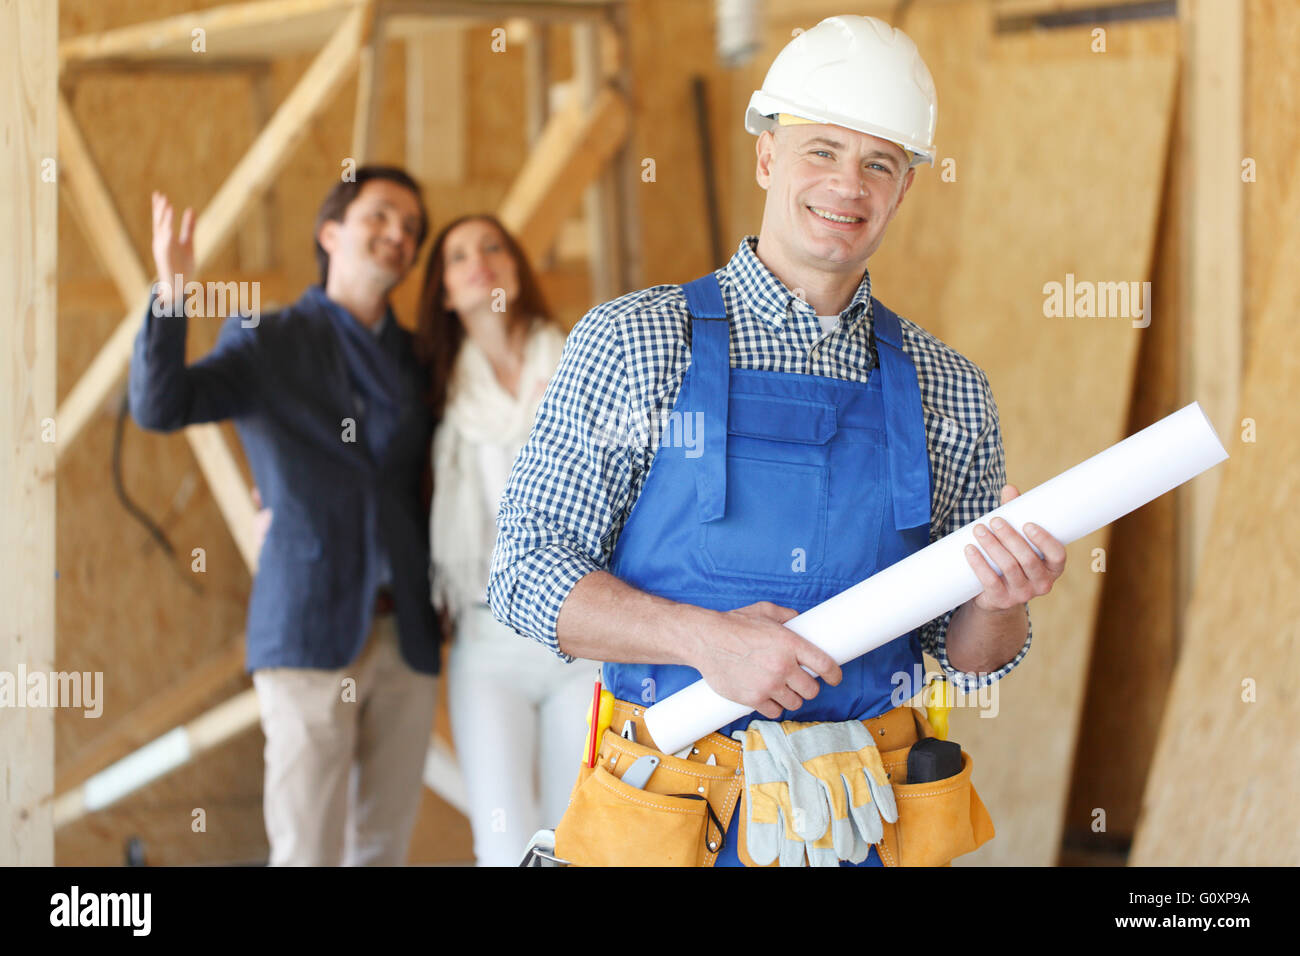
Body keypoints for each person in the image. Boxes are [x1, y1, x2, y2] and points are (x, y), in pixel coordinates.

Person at [489, 15, 1068, 867]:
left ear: (905, 188)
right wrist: (704, 641)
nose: (850, 184)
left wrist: (1004, 597)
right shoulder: (636, 342)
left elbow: (971, 661)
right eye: (822, 150)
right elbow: (524, 575)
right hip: (672, 819)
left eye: (880, 162)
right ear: (767, 157)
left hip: (865, 824)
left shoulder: (949, 388)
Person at [130, 166, 442, 866]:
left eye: (412, 229)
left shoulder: (420, 359)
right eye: (382, 216)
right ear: (330, 232)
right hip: (306, 626)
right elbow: (162, 406)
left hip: (409, 634)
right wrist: (172, 292)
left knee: (383, 849)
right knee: (305, 850)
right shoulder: (266, 341)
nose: (399, 234)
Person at [417, 214, 596, 866]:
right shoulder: (439, 394)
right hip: (488, 641)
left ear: (516, 269)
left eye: (493, 247)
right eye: (459, 256)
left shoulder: (582, 362)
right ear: (444, 292)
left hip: (580, 634)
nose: (480, 261)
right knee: (504, 841)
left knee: (575, 837)